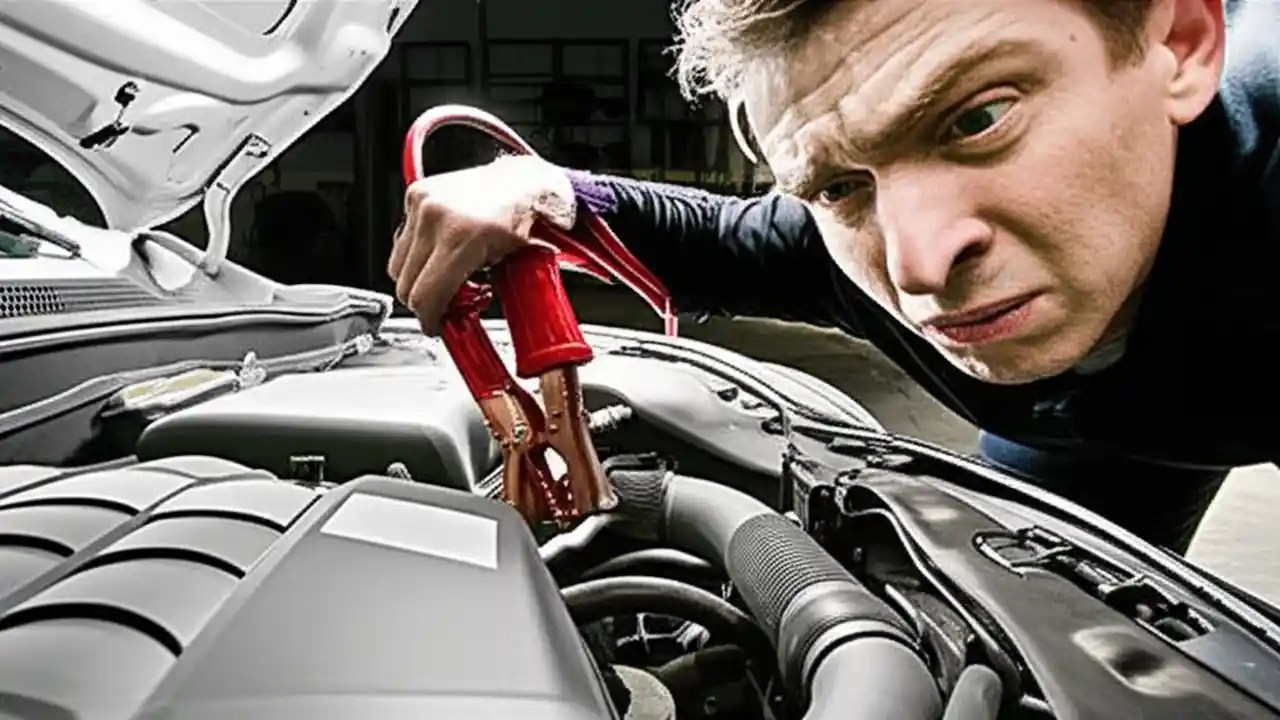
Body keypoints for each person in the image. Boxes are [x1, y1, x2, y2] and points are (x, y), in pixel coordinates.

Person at [388, 0, 1278, 555]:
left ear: (1185, 45)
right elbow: (729, 240)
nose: (917, 266)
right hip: (1094, 436)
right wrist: (540, 192)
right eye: (841, 185)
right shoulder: (850, 244)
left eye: (978, 118)